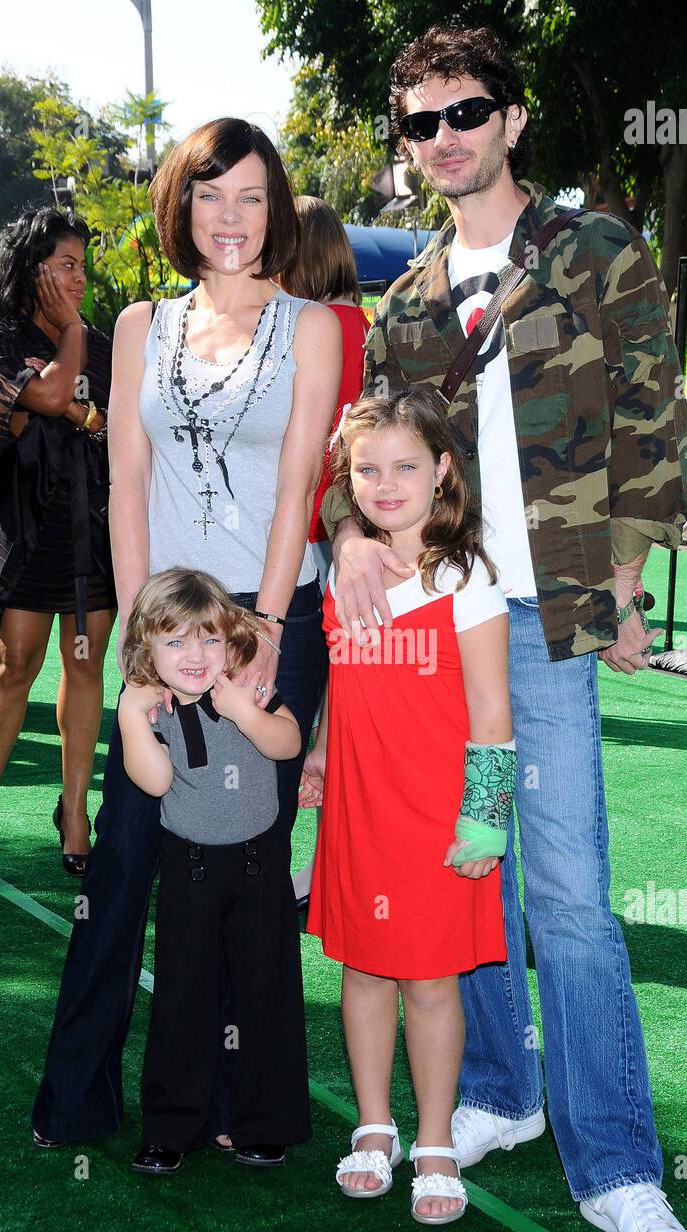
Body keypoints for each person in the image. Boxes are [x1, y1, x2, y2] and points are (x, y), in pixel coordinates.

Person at [319, 25, 687, 1232]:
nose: (444, 140)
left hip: (547, 624)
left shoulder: (598, 252)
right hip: (429, 637)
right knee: (457, 874)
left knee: (572, 902)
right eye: (420, 123)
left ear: (514, 119)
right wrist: (361, 546)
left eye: (465, 112)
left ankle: (620, 1163)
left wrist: (631, 581)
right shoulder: (407, 299)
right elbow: (362, 466)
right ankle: (497, 1089)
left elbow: (653, 421)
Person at [32, 117, 341, 1152]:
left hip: (267, 620)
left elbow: (301, 479)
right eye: (210, 195)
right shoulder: (138, 327)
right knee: (125, 856)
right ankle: (76, 1096)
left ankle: (225, 1106)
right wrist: (145, 645)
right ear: (180, 206)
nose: (230, 219)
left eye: (251, 197)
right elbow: (125, 481)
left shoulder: (313, 325)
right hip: (161, 631)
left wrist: (254, 630)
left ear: (278, 210)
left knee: (239, 878)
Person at [303, 386, 513, 1225]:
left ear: (443, 473)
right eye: (367, 470)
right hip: (357, 807)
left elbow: (493, 713)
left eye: (404, 467)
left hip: (435, 817)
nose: (385, 485)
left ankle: (433, 1141)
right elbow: (338, 679)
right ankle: (374, 1126)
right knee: (363, 968)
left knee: (428, 977)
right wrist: (319, 748)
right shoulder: (342, 568)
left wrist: (485, 818)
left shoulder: (466, 578)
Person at [119, 569, 310, 1175]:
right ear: (148, 651)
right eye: (175, 642)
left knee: (266, 993)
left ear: (232, 643)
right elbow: (153, 781)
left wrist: (244, 712)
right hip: (189, 869)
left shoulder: (246, 689)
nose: (194, 655)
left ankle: (263, 1123)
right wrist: (130, 713)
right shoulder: (156, 708)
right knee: (182, 998)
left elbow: (287, 744)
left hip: (258, 865)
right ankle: (173, 1128)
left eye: (208, 640)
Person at [0, 209, 115, 888]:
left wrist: (87, 410)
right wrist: (74, 353)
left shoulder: (104, 345)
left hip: (90, 530)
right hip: (20, 531)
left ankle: (75, 813)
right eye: (67, 264)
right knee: (14, 665)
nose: (80, 277)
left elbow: (116, 427)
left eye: (83, 265)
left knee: (83, 663)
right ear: (34, 267)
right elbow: (49, 396)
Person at [279, 194, 369, 906]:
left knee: (292, 715)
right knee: (348, 722)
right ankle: (331, 867)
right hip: (359, 536)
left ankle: (280, 861)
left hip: (313, 540)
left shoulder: (312, 328)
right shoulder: (364, 325)